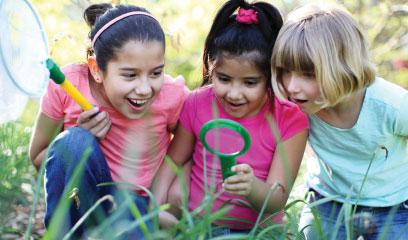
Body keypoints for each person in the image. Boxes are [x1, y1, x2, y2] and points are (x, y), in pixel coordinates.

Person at [28, 3, 188, 238]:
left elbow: (193, 148)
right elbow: (38, 157)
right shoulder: (68, 86)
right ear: (96, 69)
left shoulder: (171, 95)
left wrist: (165, 200)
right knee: (73, 142)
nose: (145, 89)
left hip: (136, 206)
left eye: (156, 73)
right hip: (81, 206)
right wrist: (79, 140)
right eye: (130, 75)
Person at [152, 0, 309, 236]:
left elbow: (277, 199)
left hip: (256, 232)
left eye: (250, 82)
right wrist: (154, 208)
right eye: (224, 79)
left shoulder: (289, 119)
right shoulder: (197, 103)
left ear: (270, 76)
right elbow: (173, 162)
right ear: (211, 69)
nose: (234, 94)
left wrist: (251, 186)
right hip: (198, 226)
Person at [270, 3, 408, 239]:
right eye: (285, 70)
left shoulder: (391, 105)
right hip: (327, 201)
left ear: (344, 67)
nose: (292, 86)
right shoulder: (298, 105)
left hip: (392, 207)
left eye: (309, 74)